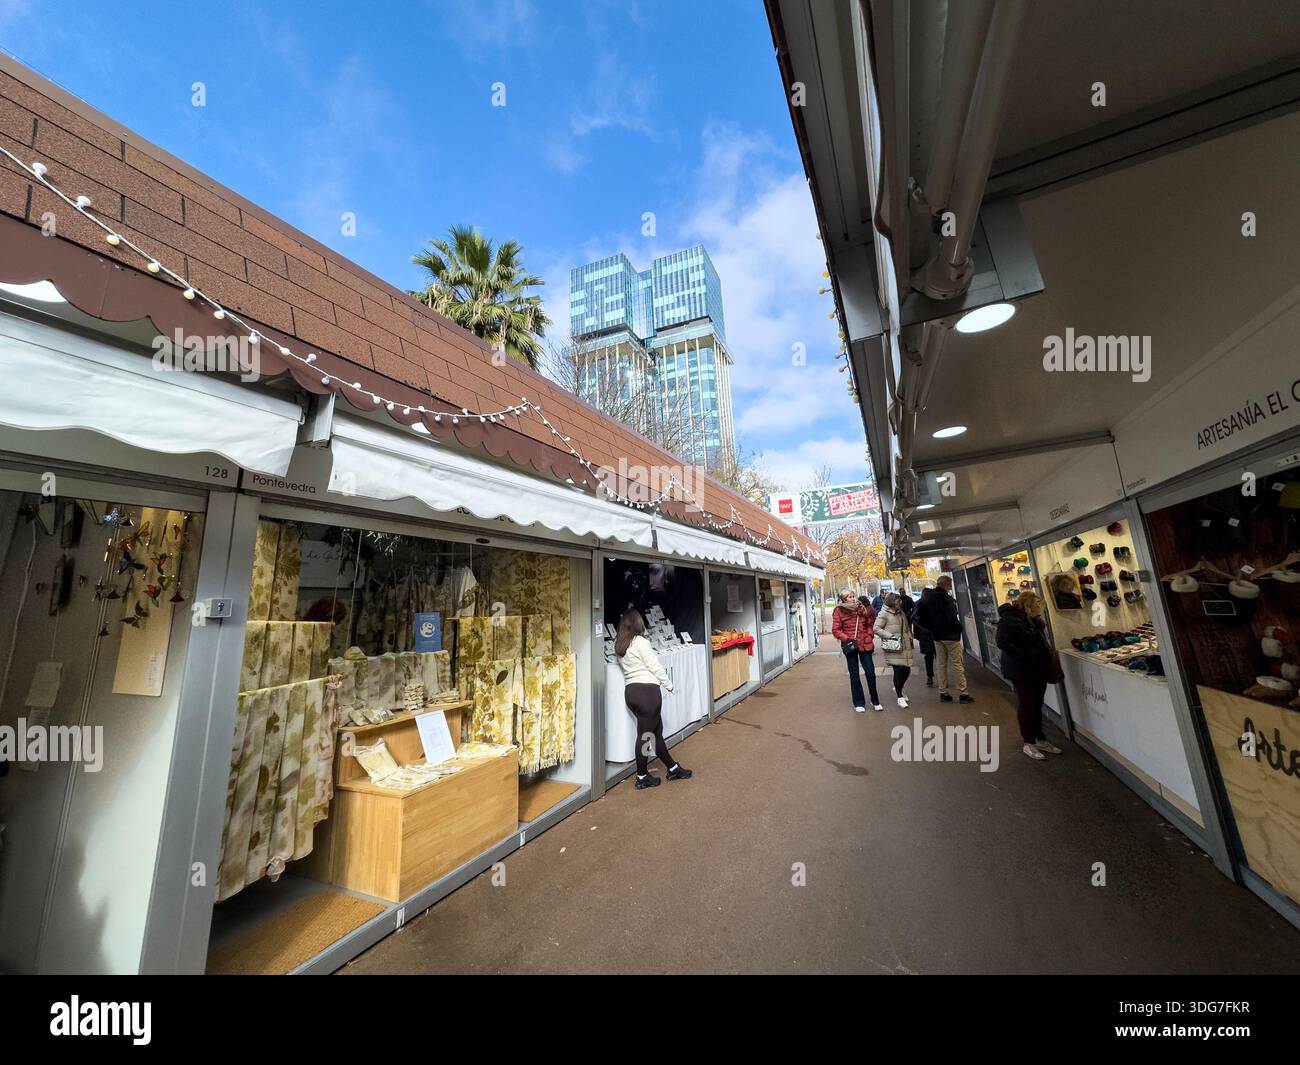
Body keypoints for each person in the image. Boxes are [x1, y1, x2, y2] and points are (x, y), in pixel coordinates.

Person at [615, 608, 692, 789]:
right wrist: (669, 685)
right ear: (638, 624)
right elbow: (654, 666)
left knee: (655, 733)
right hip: (647, 694)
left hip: (632, 692)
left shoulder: (620, 645)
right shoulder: (640, 642)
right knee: (645, 736)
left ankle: (673, 768)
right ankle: (642, 777)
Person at [995, 590, 1063, 761]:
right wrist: (1023, 656)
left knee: (1036, 704)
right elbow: (1002, 642)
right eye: (1035, 608)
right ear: (1027, 606)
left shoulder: (1031, 620)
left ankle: (1040, 738)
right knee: (1027, 704)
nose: (1038, 611)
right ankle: (1028, 742)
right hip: (1021, 670)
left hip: (1037, 668)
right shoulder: (1010, 619)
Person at [915, 576, 973, 704]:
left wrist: (931, 628)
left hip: (937, 636)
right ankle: (963, 693)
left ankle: (943, 692)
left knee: (941, 664)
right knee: (958, 664)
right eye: (950, 584)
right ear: (946, 584)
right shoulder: (946, 599)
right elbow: (952, 618)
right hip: (951, 636)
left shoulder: (927, 598)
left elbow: (919, 617)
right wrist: (959, 628)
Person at [832, 591, 881, 712]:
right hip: (851, 645)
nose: (853, 599)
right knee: (854, 674)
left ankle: (875, 700)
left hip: (865, 644)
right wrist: (847, 639)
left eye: (853, 596)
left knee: (870, 672)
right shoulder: (839, 611)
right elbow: (836, 629)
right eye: (850, 597)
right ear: (844, 599)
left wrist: (869, 634)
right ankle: (859, 702)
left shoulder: (861, 608)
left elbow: (869, 624)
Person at [873, 592, 914, 708]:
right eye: (898, 601)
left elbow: (906, 627)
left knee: (907, 670)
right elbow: (876, 628)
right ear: (892, 601)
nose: (900, 602)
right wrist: (890, 636)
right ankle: (899, 697)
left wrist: (909, 638)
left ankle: (898, 687)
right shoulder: (884, 613)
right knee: (898, 670)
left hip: (904, 645)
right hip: (894, 646)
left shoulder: (900, 612)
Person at [914, 609, 937, 687]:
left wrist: (918, 636)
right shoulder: (939, 602)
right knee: (940, 657)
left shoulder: (920, 604)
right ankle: (941, 678)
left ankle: (930, 677)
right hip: (935, 634)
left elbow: (915, 620)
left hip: (925, 634)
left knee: (929, 657)